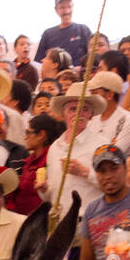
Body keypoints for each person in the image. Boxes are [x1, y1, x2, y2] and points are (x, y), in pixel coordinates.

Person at [45, 84, 105, 218]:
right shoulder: (55, 147)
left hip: (88, 220)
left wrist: (84, 172)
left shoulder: (101, 145)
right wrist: (44, 190)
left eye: (85, 109)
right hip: (58, 220)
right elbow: (50, 193)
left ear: (91, 115)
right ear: (63, 114)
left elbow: (113, 183)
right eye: (73, 109)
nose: (79, 114)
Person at [11, 113, 63, 217]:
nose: (25, 138)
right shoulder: (30, 160)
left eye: (28, 133)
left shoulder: (51, 160)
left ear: (41, 135)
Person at [34, 0, 93, 68]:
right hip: (56, 78)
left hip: (80, 77)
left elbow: (93, 57)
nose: (66, 11)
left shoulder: (83, 30)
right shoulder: (48, 34)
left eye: (69, 6)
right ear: (56, 9)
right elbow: (39, 63)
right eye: (62, 7)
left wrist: (81, 69)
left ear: (73, 7)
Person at [87, 71, 130, 152]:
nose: (90, 97)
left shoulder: (127, 120)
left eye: (94, 93)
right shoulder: (92, 119)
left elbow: (112, 155)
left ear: (109, 95)